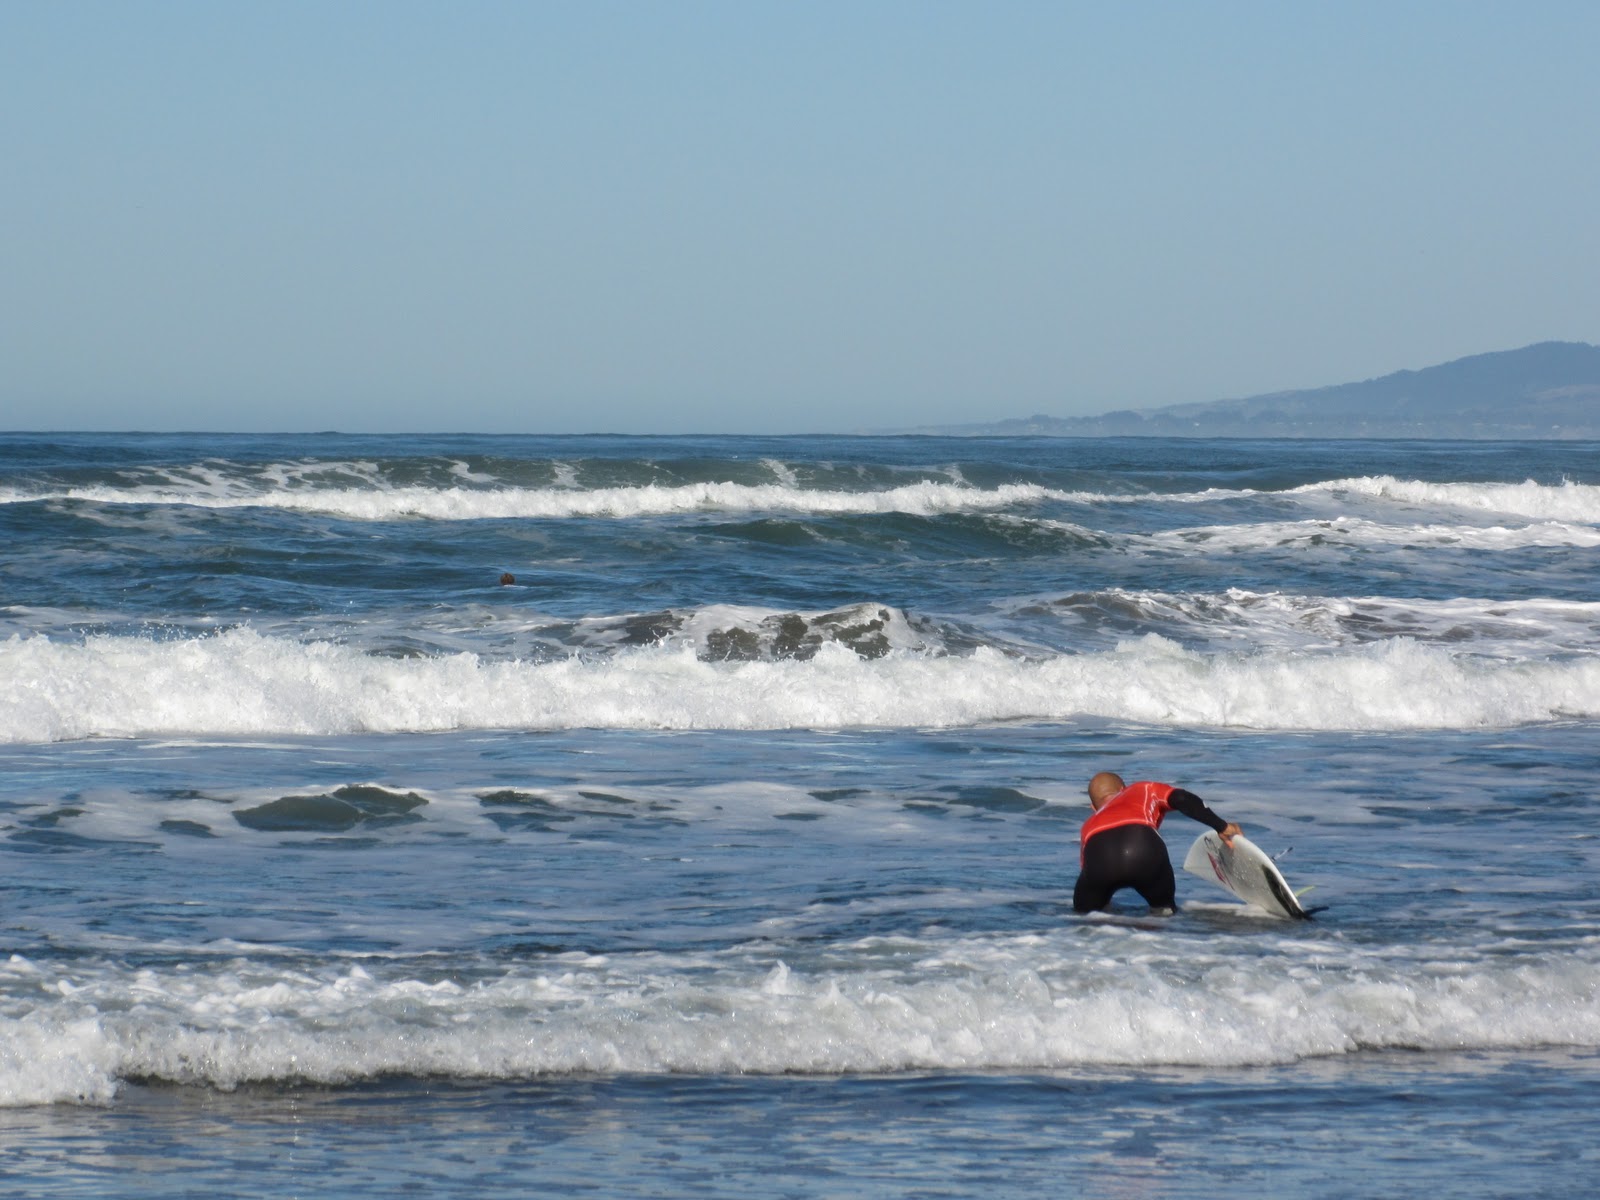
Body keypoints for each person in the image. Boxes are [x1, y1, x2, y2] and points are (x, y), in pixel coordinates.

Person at [1073, 772, 1242, 915]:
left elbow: (1086, 867)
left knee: (1086, 914)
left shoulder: (1088, 826)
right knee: (1164, 911)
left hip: (1099, 858)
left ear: (1093, 808)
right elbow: (1181, 798)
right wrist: (1222, 826)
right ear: (1122, 789)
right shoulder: (1142, 789)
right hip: (1143, 850)